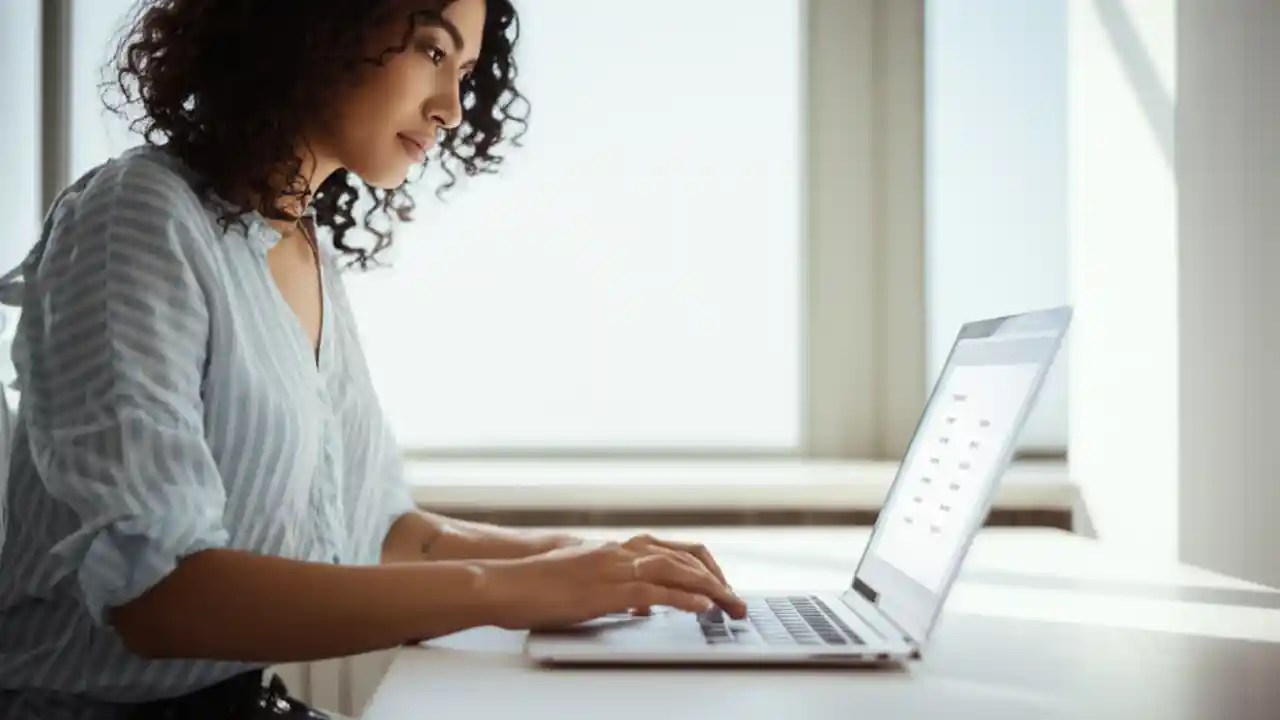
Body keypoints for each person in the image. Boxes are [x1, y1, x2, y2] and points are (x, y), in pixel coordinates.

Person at [0, 0, 747, 717]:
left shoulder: (297, 242)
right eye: (431, 50)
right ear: (319, 23)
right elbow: (161, 597)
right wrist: (520, 587)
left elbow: (384, 535)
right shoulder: (136, 218)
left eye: (466, 68)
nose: (452, 106)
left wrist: (596, 562)